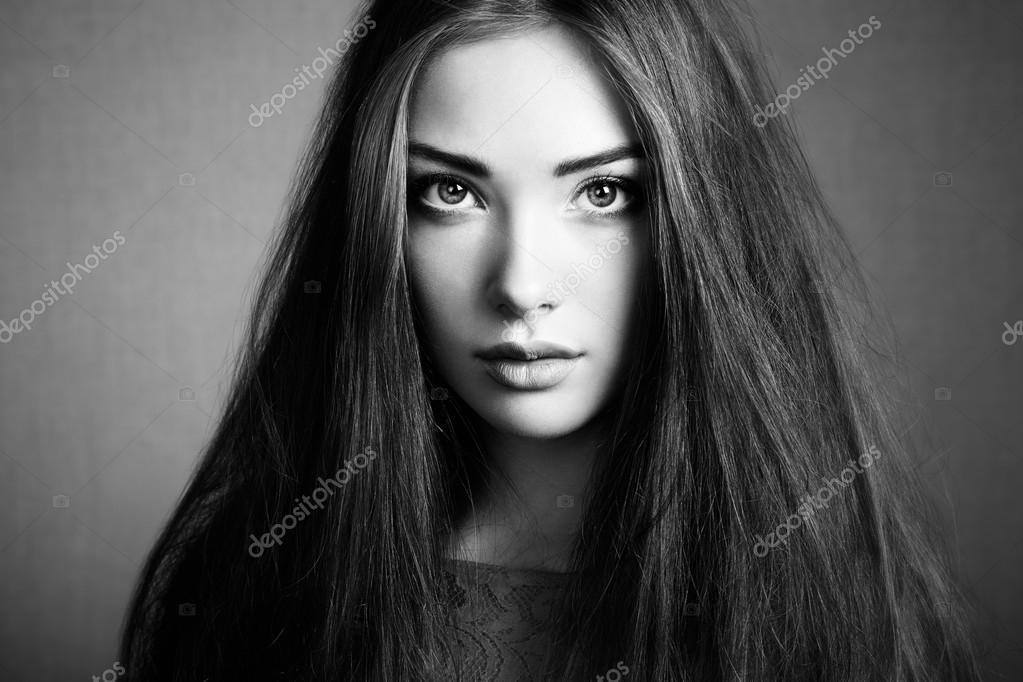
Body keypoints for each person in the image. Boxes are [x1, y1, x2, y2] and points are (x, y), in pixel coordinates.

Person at [119, 0, 981, 679]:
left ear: (705, 216)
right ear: (377, 222)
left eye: (603, 193)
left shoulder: (838, 592)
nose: (523, 286)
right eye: (450, 194)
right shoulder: (254, 590)